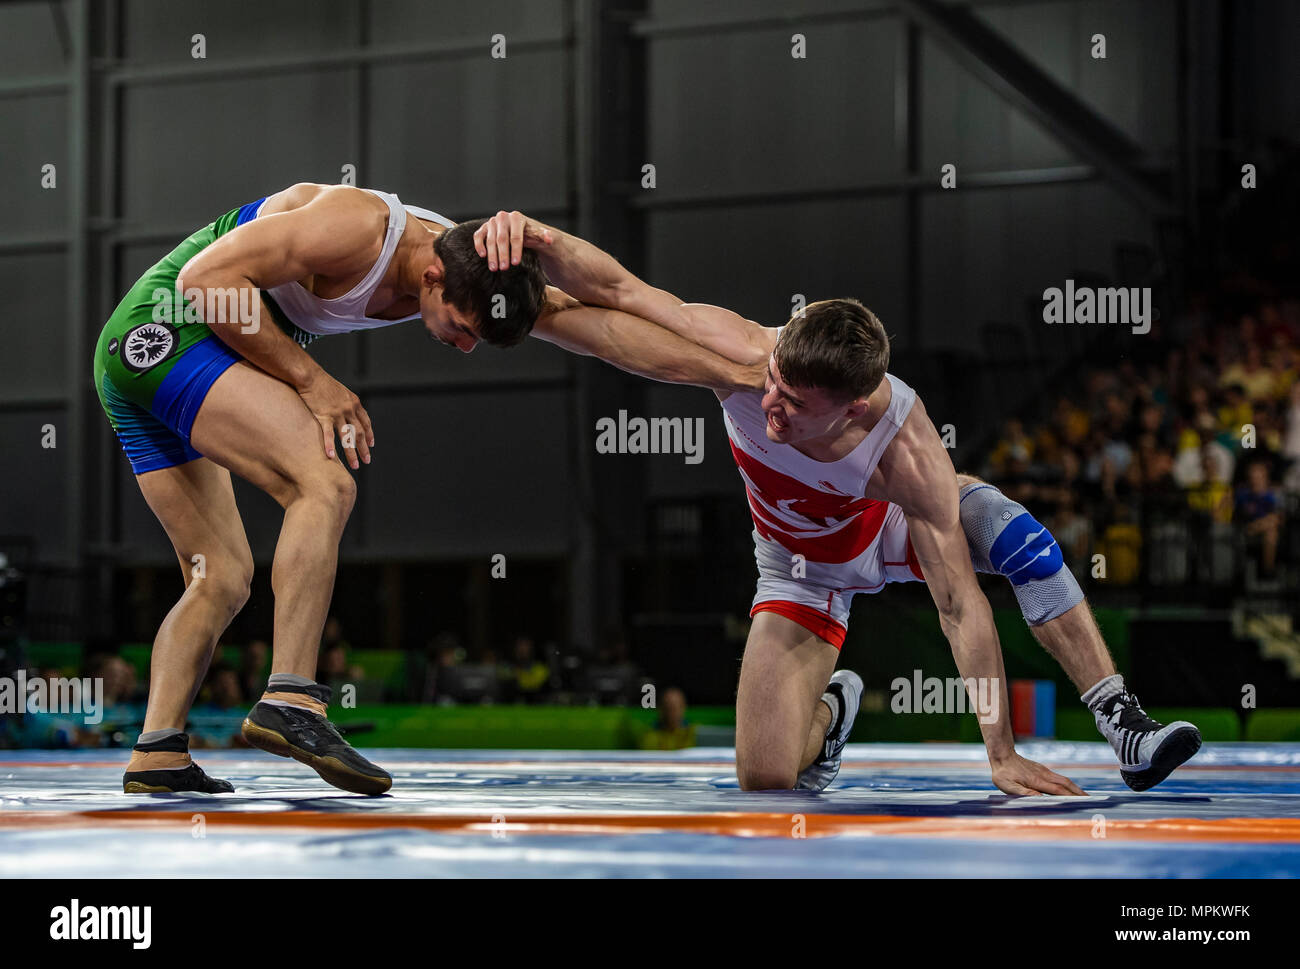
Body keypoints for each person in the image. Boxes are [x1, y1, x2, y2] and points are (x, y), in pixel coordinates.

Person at [477, 211, 1203, 795]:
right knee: (765, 777)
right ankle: (834, 711)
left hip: (885, 532)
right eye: (774, 386)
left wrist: (1001, 751)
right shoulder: (748, 356)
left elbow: (959, 608)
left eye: (794, 404)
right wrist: (533, 239)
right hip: (801, 570)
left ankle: (1123, 721)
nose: (770, 407)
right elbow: (624, 296)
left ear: (854, 409)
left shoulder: (905, 450)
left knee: (1012, 536)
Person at [98, 184, 761, 795]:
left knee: (221, 575)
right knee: (324, 483)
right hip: (170, 325)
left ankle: (158, 751)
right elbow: (203, 280)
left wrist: (733, 374)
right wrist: (312, 380)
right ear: (433, 276)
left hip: (150, 355)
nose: (464, 347)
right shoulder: (357, 227)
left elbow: (609, 330)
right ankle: (291, 698)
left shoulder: (470, 266)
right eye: (464, 328)